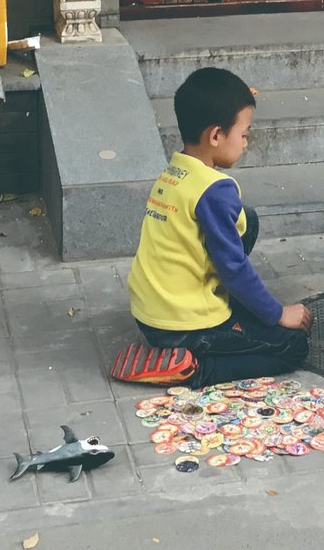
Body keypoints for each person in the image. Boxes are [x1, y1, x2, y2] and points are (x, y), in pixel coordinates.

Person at [122, 67, 312, 387]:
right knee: (291, 347)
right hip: (182, 326)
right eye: (244, 134)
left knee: (245, 220)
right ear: (215, 135)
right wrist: (278, 313)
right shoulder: (215, 190)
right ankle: (193, 368)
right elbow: (234, 269)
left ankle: (196, 337)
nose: (245, 143)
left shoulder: (173, 172)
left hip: (149, 313)